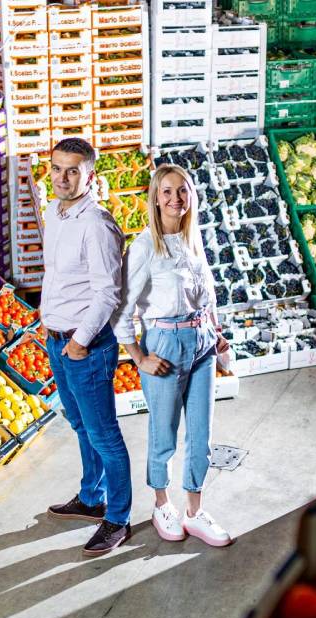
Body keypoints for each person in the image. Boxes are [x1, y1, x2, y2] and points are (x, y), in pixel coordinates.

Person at [112, 165, 232, 547]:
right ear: (155, 197)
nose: (175, 199)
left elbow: (206, 295)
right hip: (163, 345)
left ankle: (195, 512)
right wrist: (137, 356)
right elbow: (121, 308)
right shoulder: (146, 246)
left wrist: (218, 334)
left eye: (183, 191)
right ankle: (162, 503)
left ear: (192, 197)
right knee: (162, 434)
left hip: (202, 343)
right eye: (167, 191)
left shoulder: (194, 239)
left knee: (202, 435)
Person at [41, 138, 133, 556]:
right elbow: (58, 278)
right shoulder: (54, 213)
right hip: (57, 341)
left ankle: (118, 519)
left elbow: (107, 293)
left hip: (86, 347)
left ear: (90, 175)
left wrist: (78, 343)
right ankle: (91, 497)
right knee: (81, 427)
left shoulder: (97, 224)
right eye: (57, 168)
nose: (63, 178)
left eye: (72, 170)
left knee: (105, 435)